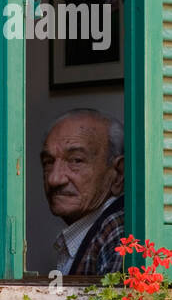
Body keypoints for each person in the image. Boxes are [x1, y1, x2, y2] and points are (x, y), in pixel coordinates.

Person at [41, 109, 124, 277]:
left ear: (118, 175)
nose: (54, 179)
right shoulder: (85, 234)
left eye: (76, 160)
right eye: (48, 162)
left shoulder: (119, 234)